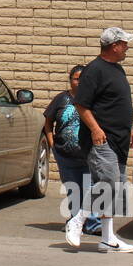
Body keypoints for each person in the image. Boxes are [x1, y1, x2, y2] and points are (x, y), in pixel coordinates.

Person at [65, 27, 133, 253]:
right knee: (107, 182)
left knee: (114, 188)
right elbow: (81, 104)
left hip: (119, 139)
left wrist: (130, 128)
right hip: (101, 139)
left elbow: (117, 103)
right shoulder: (94, 70)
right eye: (125, 43)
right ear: (114, 45)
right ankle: (77, 221)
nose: (127, 47)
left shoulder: (117, 70)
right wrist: (95, 129)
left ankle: (107, 238)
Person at [43, 65, 101, 235]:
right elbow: (47, 123)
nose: (79, 82)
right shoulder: (61, 99)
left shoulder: (93, 100)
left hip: (88, 154)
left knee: (91, 189)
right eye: (76, 79)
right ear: (70, 81)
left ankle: (93, 223)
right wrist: (52, 143)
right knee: (73, 188)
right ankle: (74, 221)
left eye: (83, 79)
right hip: (65, 155)